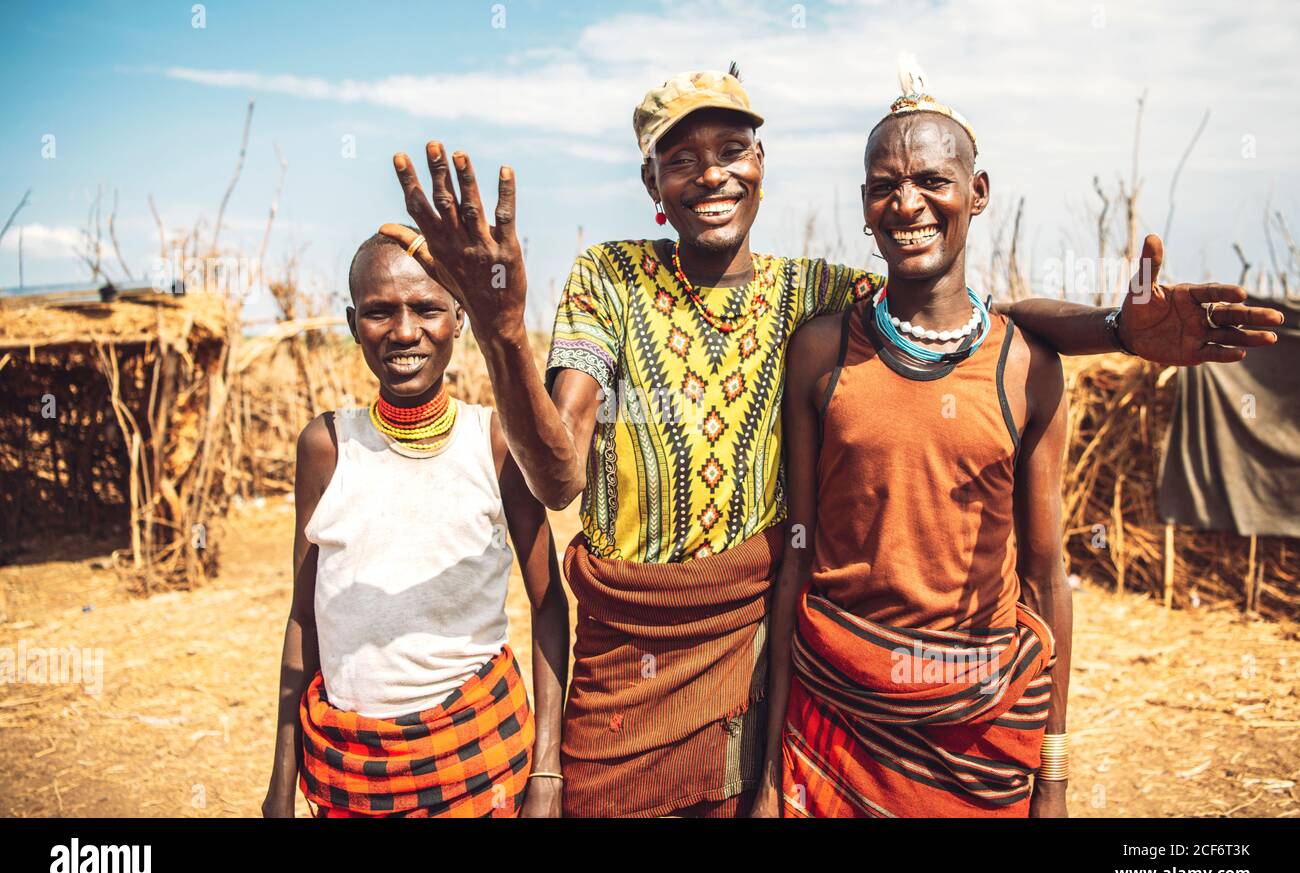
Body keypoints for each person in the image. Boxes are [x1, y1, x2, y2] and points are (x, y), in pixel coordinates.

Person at [377, 69, 1279, 817]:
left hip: (750, 655)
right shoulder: (610, 277)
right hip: (626, 657)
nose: (711, 177)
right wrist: (502, 333)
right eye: (679, 161)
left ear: (761, 164)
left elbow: (975, 320)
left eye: (731, 152)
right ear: (652, 185)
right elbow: (562, 475)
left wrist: (1118, 328)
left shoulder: (820, 292)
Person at [756, 73, 1075, 818]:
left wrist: (1052, 779)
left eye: (933, 180)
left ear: (979, 190)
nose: (906, 204)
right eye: (883, 186)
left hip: (980, 733)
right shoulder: (822, 352)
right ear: (864, 205)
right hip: (838, 719)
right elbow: (797, 555)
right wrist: (771, 778)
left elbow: (1047, 575)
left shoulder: (1027, 365)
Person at [261, 232, 569, 818]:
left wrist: (547, 773)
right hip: (351, 773)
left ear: (458, 316)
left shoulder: (494, 442)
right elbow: (306, 617)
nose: (405, 332)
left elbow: (548, 603)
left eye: (427, 308)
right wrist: (282, 783)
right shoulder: (327, 447)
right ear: (354, 324)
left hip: (480, 763)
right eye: (380, 312)